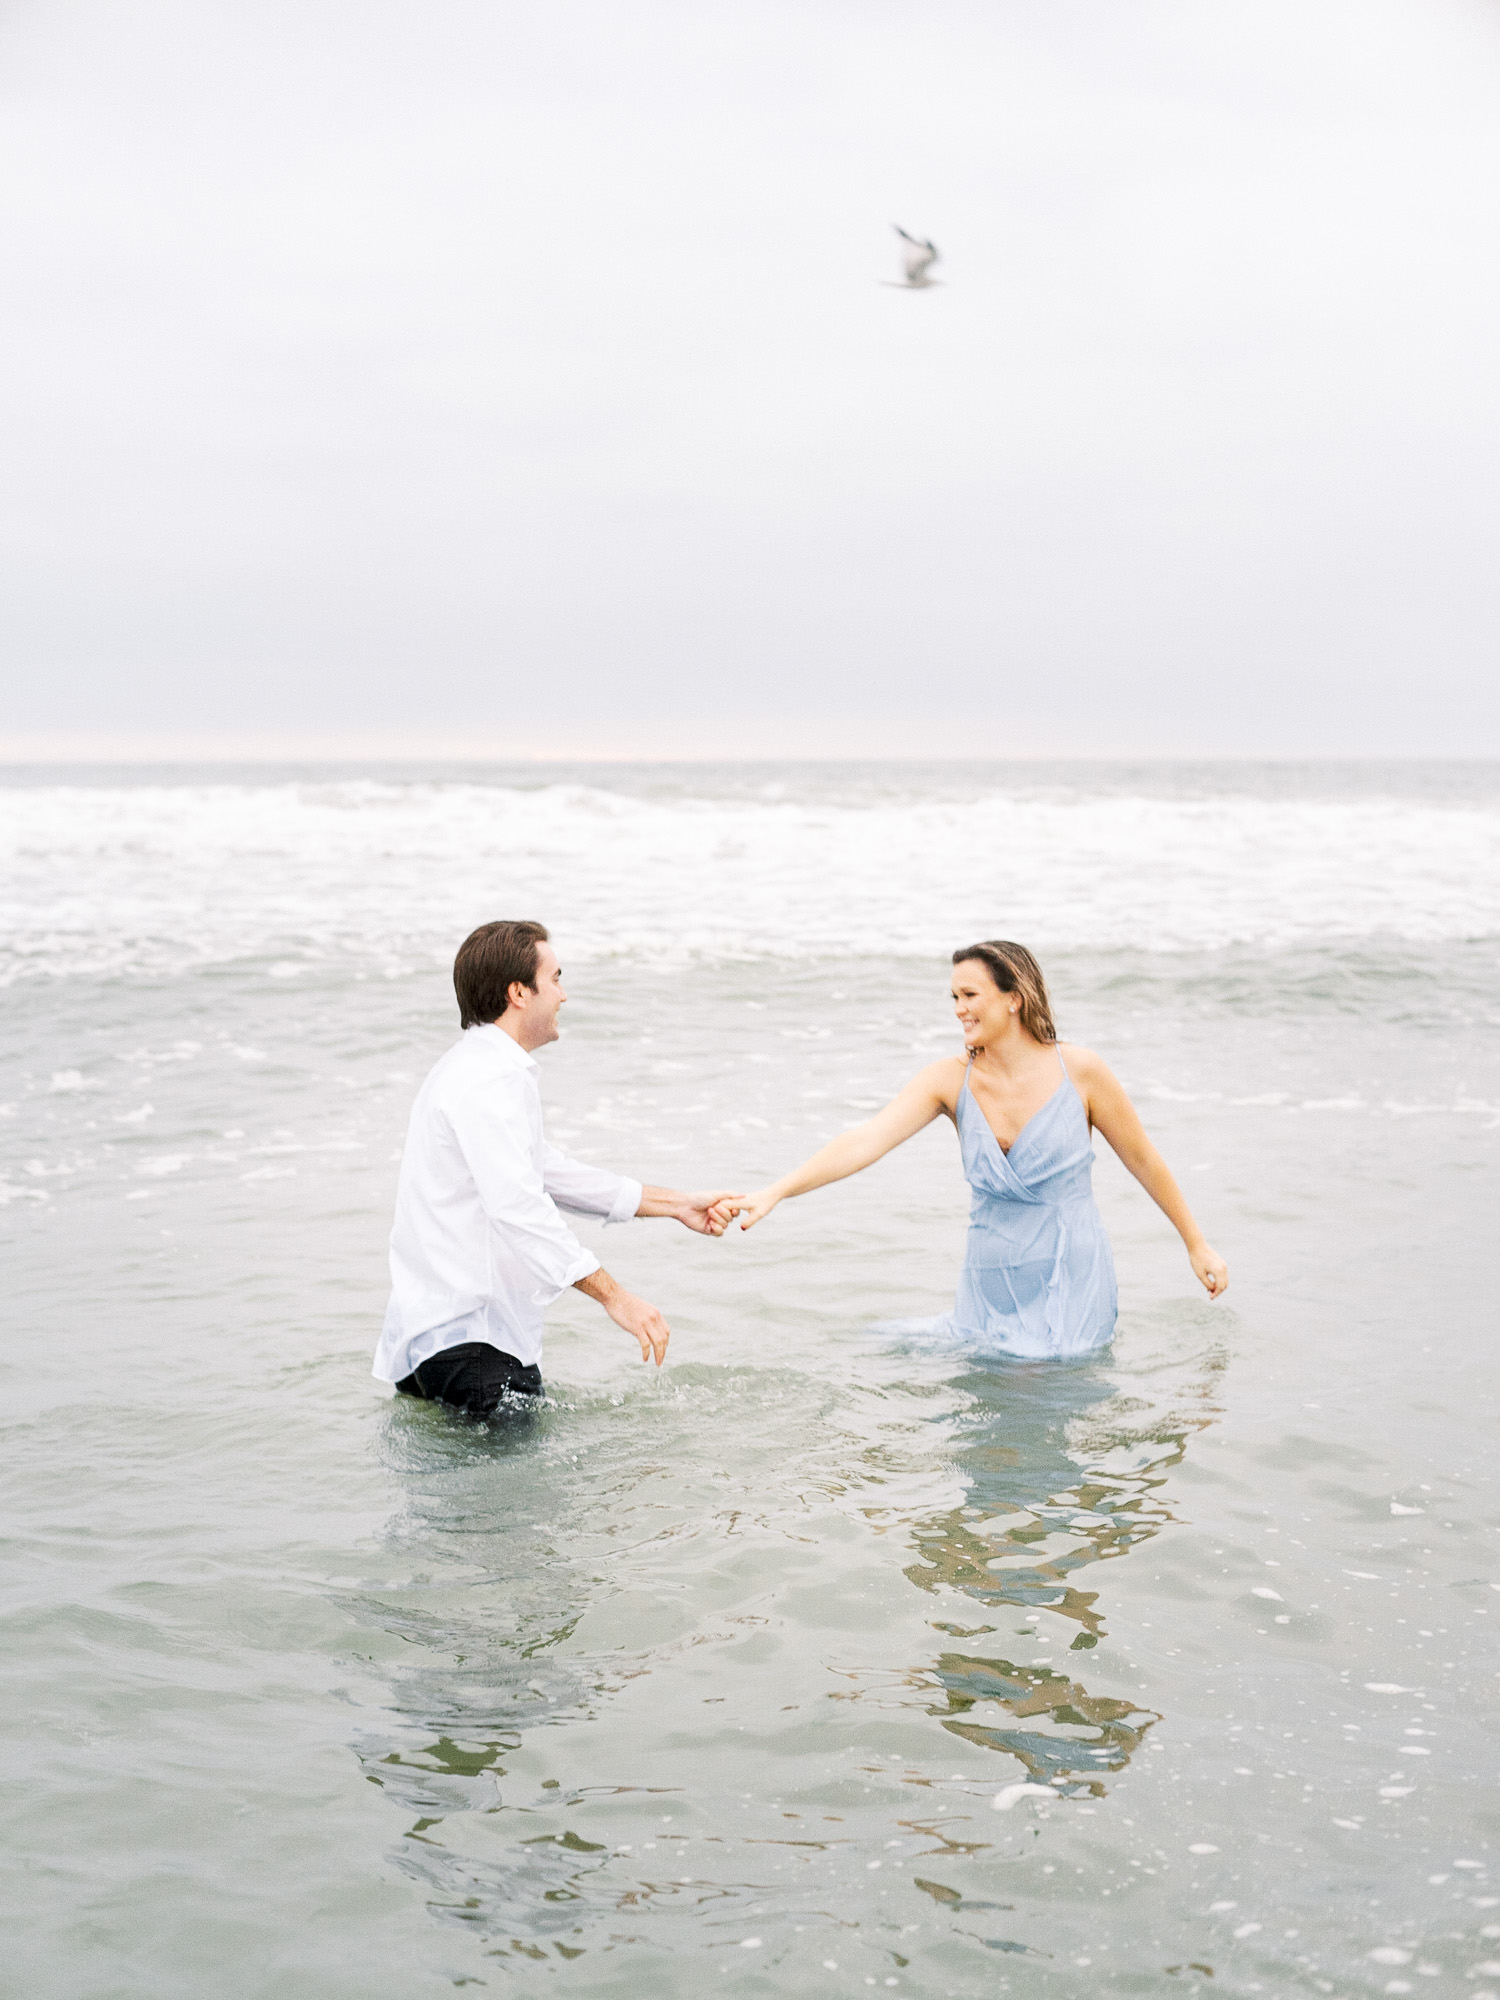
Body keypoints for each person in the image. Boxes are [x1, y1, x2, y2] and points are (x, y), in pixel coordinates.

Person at [714, 940, 1227, 1357]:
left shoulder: (1082, 1071)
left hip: (1070, 1278)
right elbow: (866, 1141)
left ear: (1013, 997)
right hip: (988, 1283)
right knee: (987, 1455)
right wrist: (776, 1192)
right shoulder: (949, 1080)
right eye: (953, 998)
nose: (959, 1010)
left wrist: (1195, 1242)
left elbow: (1143, 1159)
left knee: (1056, 1432)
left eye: (969, 995)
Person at [373, 920, 738, 1417]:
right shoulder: (490, 1081)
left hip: (431, 1345)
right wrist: (615, 1297)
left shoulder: (469, 1069)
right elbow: (518, 1207)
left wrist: (676, 1205)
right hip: (475, 1345)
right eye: (557, 979)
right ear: (519, 992)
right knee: (527, 1497)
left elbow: (548, 1172)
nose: (564, 995)